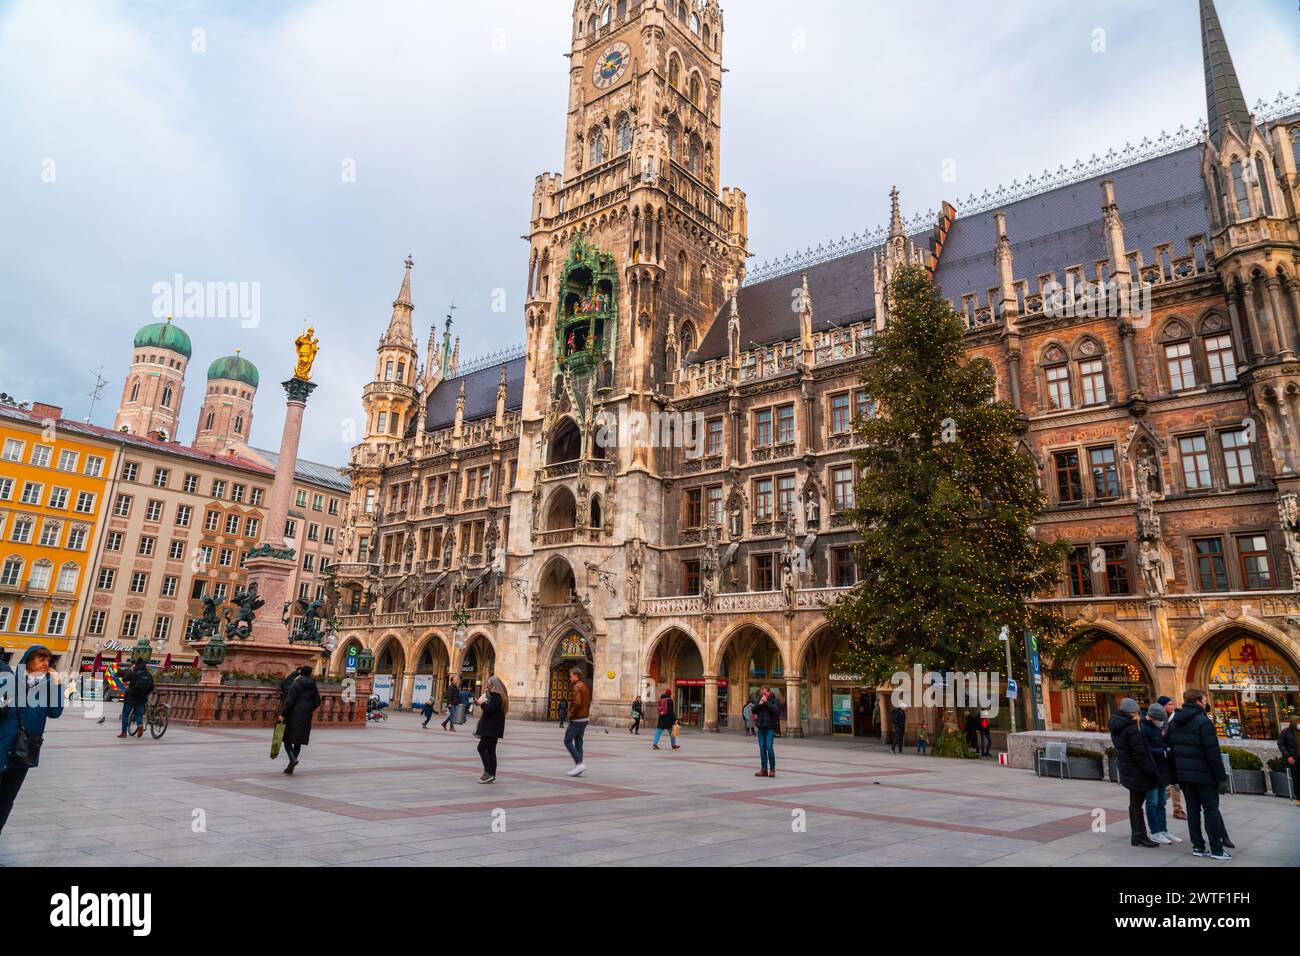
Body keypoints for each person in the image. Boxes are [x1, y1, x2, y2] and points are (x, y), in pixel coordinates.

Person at [0, 646, 64, 835]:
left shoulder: (47, 686)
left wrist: (57, 684)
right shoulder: (9, 681)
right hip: (2, 746)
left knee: (5, 801)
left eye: (48, 659)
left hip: (23, 752)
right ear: (28, 660)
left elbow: (55, 712)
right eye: (40, 658)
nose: (45, 663)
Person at [1166, 688, 1231, 861]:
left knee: (1193, 810)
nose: (1206, 702)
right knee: (1210, 811)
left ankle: (1198, 846)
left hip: (1185, 776)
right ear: (1197, 701)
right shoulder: (1203, 722)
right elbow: (1213, 752)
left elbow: (1171, 752)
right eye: (1204, 699)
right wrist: (1221, 777)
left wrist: (1175, 776)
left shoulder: (1174, 722)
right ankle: (1217, 849)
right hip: (1205, 775)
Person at [1108, 697, 1161, 848]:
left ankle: (1138, 835)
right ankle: (1139, 836)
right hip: (1137, 771)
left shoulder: (1117, 726)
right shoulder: (1132, 728)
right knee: (1137, 805)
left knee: (1134, 804)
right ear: (1133, 712)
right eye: (1137, 711)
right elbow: (1140, 753)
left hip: (1127, 768)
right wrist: (1152, 772)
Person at [1141, 703, 1181, 845]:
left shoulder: (1156, 728)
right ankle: (1155, 831)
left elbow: (1159, 743)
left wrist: (1167, 749)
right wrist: (1163, 752)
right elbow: (1145, 749)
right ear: (1153, 717)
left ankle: (1163, 829)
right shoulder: (1144, 728)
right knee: (1152, 801)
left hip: (1161, 770)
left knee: (1162, 802)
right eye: (1160, 719)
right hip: (1152, 770)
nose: (1162, 722)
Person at [278, 665, 321, 775]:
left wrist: (282, 714)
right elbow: (317, 701)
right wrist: (309, 709)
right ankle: (290, 766)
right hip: (306, 716)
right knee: (298, 742)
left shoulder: (296, 684)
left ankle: (292, 759)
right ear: (311, 673)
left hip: (293, 715)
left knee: (286, 739)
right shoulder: (313, 686)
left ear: (301, 672)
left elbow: (289, 701)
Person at [1157, 695, 1187, 820]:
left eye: (1172, 704)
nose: (1172, 706)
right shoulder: (1159, 719)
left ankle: (1159, 801)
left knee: (1173, 783)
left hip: (1173, 753)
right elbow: (1158, 737)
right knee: (1173, 783)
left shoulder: (1175, 717)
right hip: (1165, 754)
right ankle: (1177, 809)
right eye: (1169, 704)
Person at [474, 675, 508, 784]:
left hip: (490, 729)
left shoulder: (496, 697)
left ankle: (488, 773)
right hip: (493, 729)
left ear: (494, 685)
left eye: (489, 684)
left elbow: (489, 710)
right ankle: (492, 774)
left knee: (481, 748)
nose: (488, 686)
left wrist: (481, 703)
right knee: (491, 751)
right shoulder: (499, 696)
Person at [564, 667, 590, 777]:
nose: (570, 678)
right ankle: (578, 767)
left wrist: (570, 714)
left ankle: (579, 763)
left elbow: (577, 703)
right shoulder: (585, 686)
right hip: (585, 718)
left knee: (567, 740)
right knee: (578, 741)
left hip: (577, 719)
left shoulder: (577, 687)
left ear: (575, 675)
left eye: (570, 675)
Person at [117, 659, 153, 739]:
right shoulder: (148, 674)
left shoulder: (134, 673)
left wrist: (130, 671)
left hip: (130, 696)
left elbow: (124, 679)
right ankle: (140, 725)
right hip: (141, 698)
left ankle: (124, 733)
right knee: (138, 714)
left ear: (136, 665)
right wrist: (145, 694)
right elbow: (151, 687)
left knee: (126, 714)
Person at [753, 685, 780, 777]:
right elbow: (753, 711)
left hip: (770, 728)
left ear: (769, 692)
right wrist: (759, 704)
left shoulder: (774, 700)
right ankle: (764, 770)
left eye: (765, 693)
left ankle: (772, 769)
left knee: (769, 748)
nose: (763, 695)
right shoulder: (760, 699)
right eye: (762, 693)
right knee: (762, 749)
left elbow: (776, 711)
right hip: (761, 728)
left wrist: (767, 702)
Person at [1276, 712, 1298, 806]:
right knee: (1297, 779)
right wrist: (1288, 756)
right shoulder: (1285, 732)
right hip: (1294, 759)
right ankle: (1299, 798)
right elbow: (1280, 744)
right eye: (1298, 722)